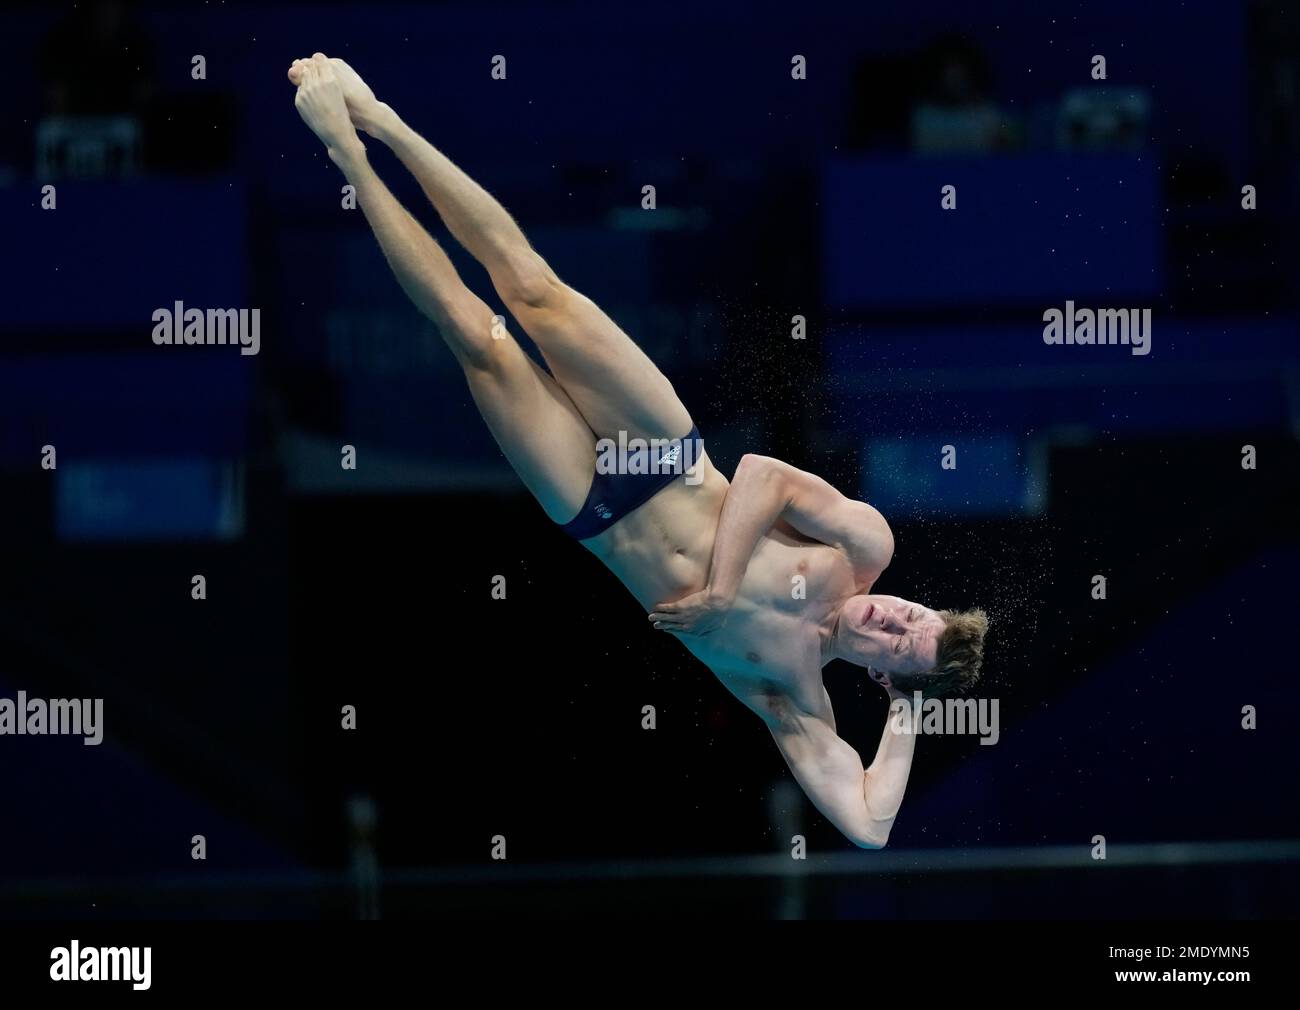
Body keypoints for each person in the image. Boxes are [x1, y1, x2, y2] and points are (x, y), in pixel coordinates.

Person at [287, 54, 987, 848]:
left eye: (897, 643)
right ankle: (380, 118)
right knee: (532, 288)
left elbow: (868, 828)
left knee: (476, 337)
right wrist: (722, 590)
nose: (890, 619)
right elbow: (762, 475)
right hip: (665, 452)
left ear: (884, 674)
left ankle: (346, 152)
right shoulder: (862, 549)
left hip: (591, 505)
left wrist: (910, 713)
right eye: (909, 614)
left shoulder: (787, 693)